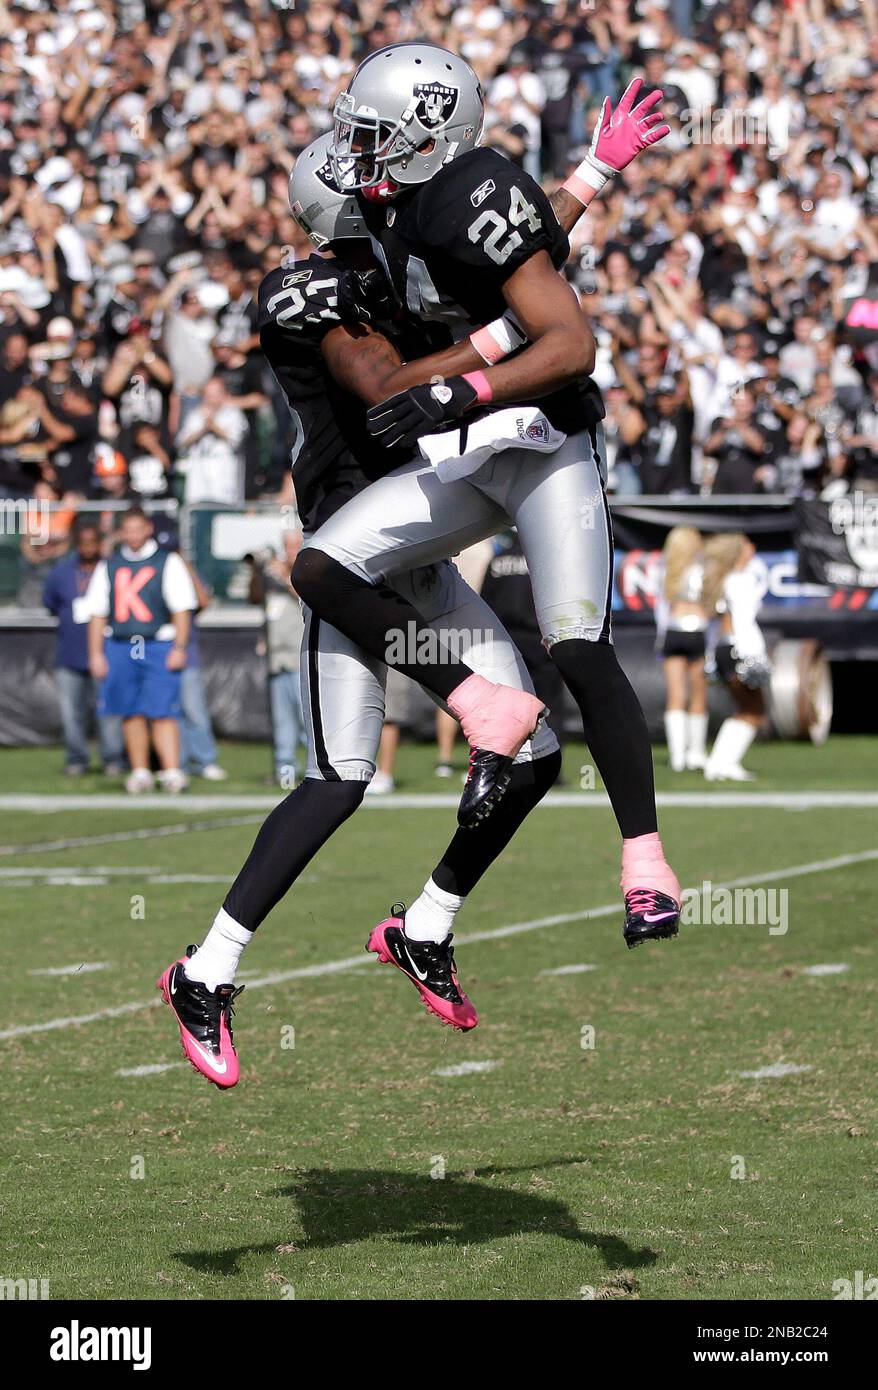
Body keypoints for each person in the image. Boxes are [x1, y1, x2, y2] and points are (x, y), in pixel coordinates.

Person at [156, 133, 572, 1087]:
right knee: (342, 778)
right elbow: (387, 385)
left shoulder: (402, 269)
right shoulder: (310, 289)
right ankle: (205, 970)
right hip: (353, 547)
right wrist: (511, 340)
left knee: (539, 761)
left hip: (417, 547)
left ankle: (425, 923)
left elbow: (511, 248)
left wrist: (590, 181)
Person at [295, 48, 680, 955]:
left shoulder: (465, 188)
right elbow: (527, 249)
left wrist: (458, 391)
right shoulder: (396, 205)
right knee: (322, 564)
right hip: (471, 453)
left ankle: (647, 867)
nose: (355, 150)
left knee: (577, 642)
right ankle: (478, 705)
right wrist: (594, 172)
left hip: (541, 442)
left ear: (429, 133)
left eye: (371, 132)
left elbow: (570, 338)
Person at [84, 506, 196, 794]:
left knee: (162, 710)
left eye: (138, 529)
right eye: (128, 530)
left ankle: (171, 770)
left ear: (148, 529)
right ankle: (140, 770)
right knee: (130, 710)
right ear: (121, 532)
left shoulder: (167, 561)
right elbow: (97, 612)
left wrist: (180, 646)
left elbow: (182, 608)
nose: (133, 536)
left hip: (157, 642)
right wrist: (96, 653)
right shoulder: (108, 564)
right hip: (121, 644)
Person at [41, 520, 125, 776]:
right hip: (70, 653)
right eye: (84, 542)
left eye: (93, 542)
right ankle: (76, 758)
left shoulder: (112, 569)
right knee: (71, 713)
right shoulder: (62, 572)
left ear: (101, 544)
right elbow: (50, 603)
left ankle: (113, 758)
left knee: (109, 710)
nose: (88, 548)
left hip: (106, 652)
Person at [702, 534, 770, 782]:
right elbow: (742, 620)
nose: (752, 547)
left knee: (743, 708)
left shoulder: (723, 581)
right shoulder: (739, 581)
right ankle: (726, 763)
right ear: (738, 552)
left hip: (724, 648)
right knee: (753, 710)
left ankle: (718, 763)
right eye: (746, 545)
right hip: (739, 649)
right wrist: (752, 654)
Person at [655, 526, 708, 773]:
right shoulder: (701, 570)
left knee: (676, 696)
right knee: (698, 695)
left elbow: (661, 611)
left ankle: (678, 756)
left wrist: (661, 639)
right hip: (697, 631)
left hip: (673, 632)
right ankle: (695, 753)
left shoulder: (666, 571)